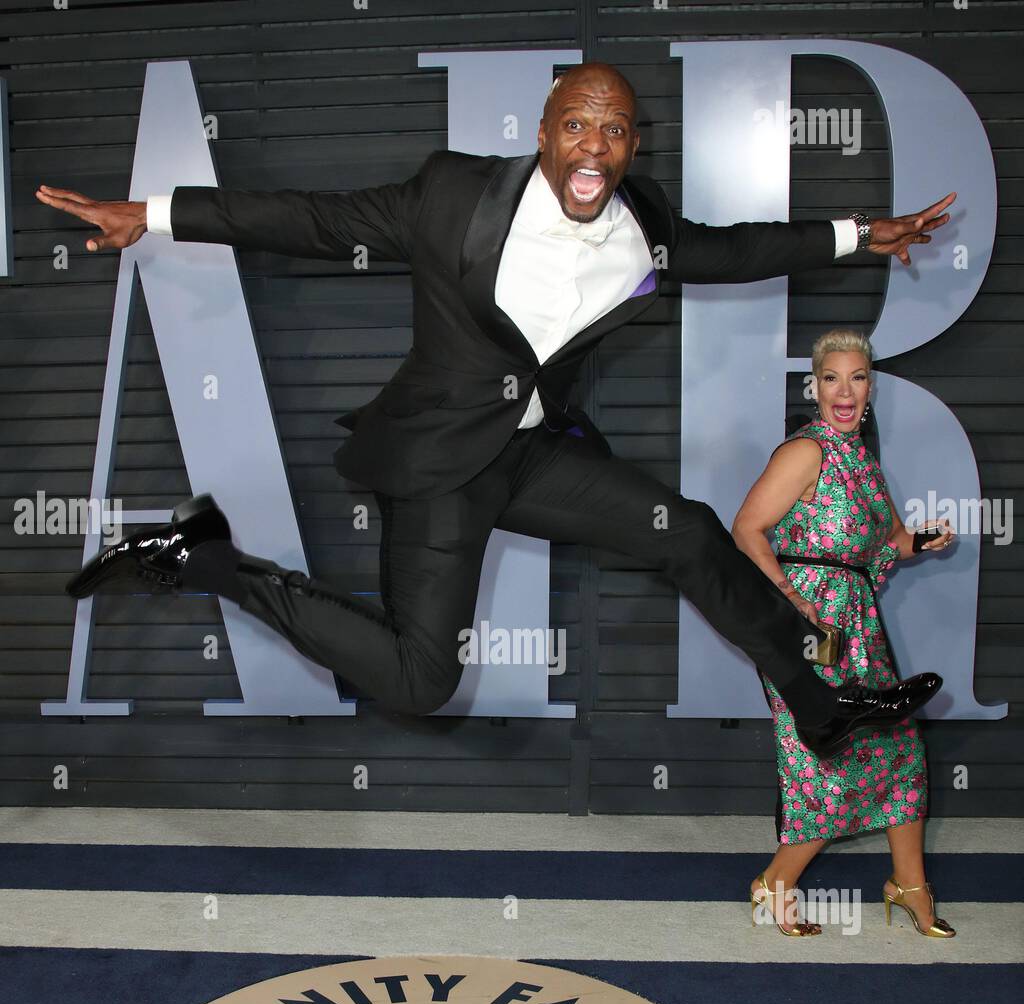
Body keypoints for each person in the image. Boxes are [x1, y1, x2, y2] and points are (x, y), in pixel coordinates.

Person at [37, 63, 953, 759]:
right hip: (439, 462)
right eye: (578, 126)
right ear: (546, 132)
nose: (595, 147)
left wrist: (863, 234)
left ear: (635, 146)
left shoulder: (645, 223)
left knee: (688, 531)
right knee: (418, 679)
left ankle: (820, 703)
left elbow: (736, 249)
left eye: (617, 131)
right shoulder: (453, 198)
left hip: (528, 455)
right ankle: (214, 562)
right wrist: (152, 213)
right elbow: (310, 219)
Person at [732, 329, 955, 939]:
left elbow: (883, 543)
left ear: (870, 387)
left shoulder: (863, 460)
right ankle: (775, 883)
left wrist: (921, 539)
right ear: (816, 385)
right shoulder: (805, 452)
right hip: (806, 625)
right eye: (833, 378)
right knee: (826, 756)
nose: (846, 390)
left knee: (901, 749)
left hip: (857, 623)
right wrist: (795, 597)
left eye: (858, 377)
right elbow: (748, 529)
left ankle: (909, 886)